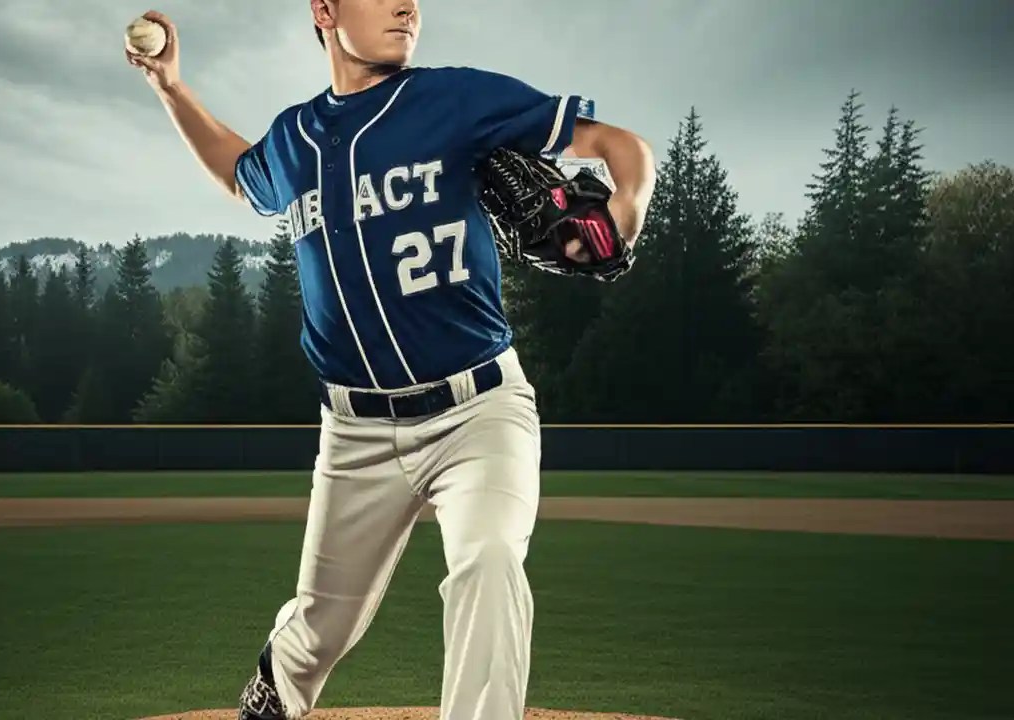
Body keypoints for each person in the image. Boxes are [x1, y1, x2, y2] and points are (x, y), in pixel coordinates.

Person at [125, 2, 655, 719]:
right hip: (355, 436)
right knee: (321, 627)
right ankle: (276, 685)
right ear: (324, 9)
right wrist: (169, 88)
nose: (408, 6)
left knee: (490, 559)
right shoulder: (296, 139)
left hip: (480, 411)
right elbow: (237, 172)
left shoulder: (456, 99)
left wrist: (625, 210)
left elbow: (619, 144)